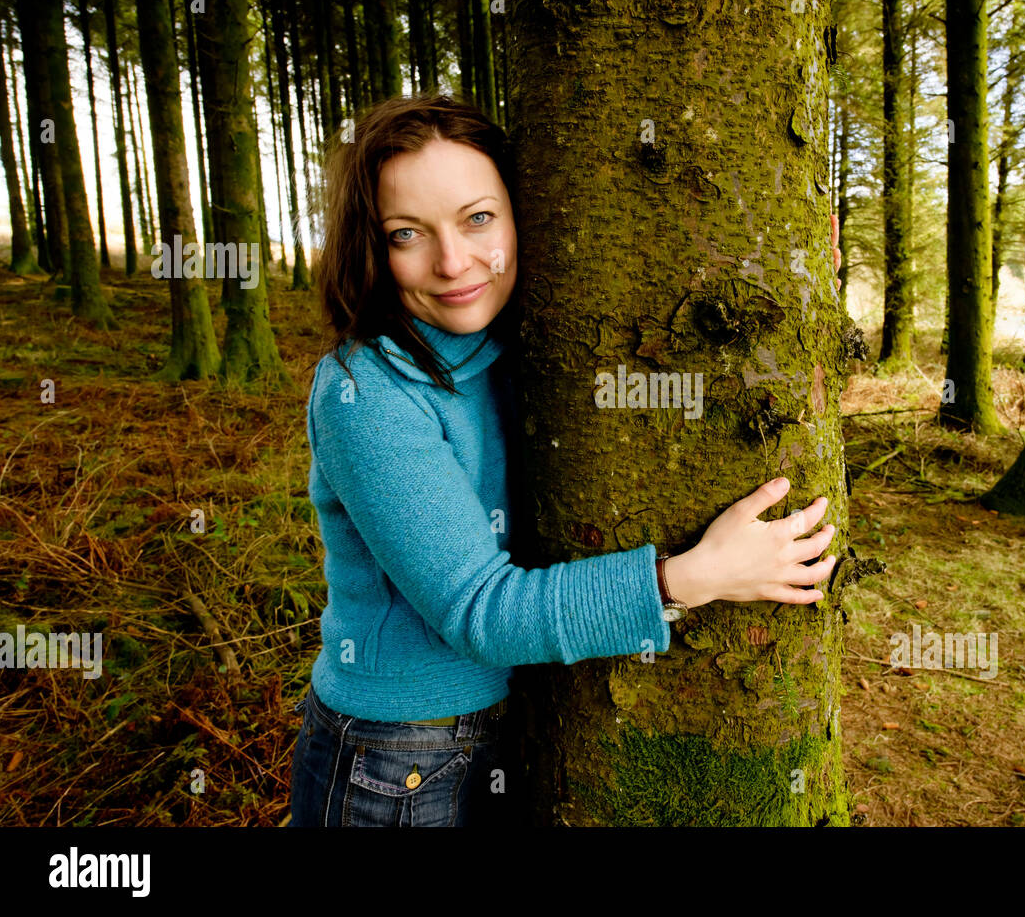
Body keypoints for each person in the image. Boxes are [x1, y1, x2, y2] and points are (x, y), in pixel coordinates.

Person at [288, 94, 842, 827]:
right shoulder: (368, 392)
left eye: (478, 218)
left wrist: (790, 269)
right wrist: (690, 577)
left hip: (504, 730)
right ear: (370, 245)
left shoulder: (525, 341)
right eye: (406, 234)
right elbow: (480, 610)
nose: (453, 261)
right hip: (392, 763)